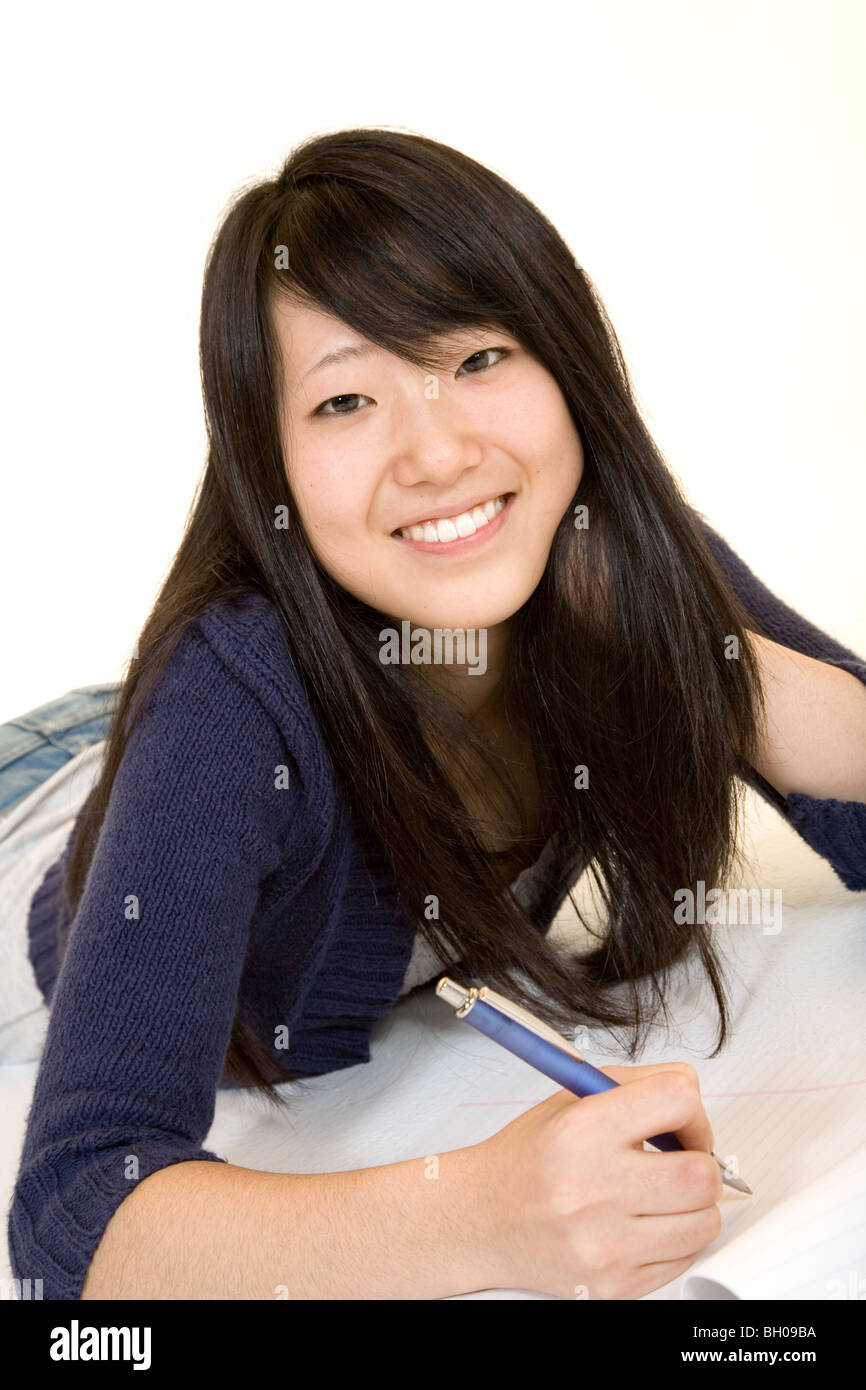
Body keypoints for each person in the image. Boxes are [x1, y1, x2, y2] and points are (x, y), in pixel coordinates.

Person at [5, 127, 866, 1302]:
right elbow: (74, 1212)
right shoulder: (230, 700)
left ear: (568, 368)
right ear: (270, 464)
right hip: (37, 810)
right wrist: (478, 1216)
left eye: (475, 359)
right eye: (347, 397)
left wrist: (700, 664)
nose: (440, 452)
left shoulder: (595, 542)